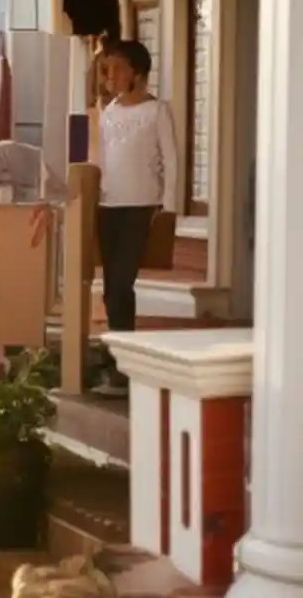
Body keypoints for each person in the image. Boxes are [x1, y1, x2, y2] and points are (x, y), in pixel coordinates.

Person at [92, 39, 177, 396]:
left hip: (141, 207)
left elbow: (171, 160)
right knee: (111, 289)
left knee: (123, 283)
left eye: (116, 67)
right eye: (106, 67)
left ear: (136, 73)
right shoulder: (107, 112)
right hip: (107, 208)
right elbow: (101, 160)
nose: (109, 75)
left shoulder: (157, 111)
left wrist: (168, 209)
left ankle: (123, 368)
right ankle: (116, 360)